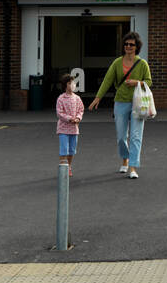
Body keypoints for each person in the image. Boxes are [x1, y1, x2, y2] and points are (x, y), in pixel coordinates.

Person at [87, 31, 151, 179]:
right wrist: (98, 98)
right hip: (120, 102)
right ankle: (125, 159)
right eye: (126, 44)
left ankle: (133, 167)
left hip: (138, 103)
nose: (128, 46)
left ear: (137, 47)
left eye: (131, 44)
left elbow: (149, 82)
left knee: (136, 136)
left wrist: (137, 83)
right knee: (121, 136)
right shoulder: (117, 63)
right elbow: (107, 80)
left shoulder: (142, 64)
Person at [56, 72, 83, 177]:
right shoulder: (61, 98)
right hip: (63, 129)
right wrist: (69, 119)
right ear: (65, 85)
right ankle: (63, 168)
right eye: (69, 83)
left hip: (74, 129)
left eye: (73, 83)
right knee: (64, 149)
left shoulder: (77, 98)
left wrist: (78, 118)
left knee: (72, 150)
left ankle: (69, 167)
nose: (72, 85)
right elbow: (59, 113)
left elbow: (81, 110)